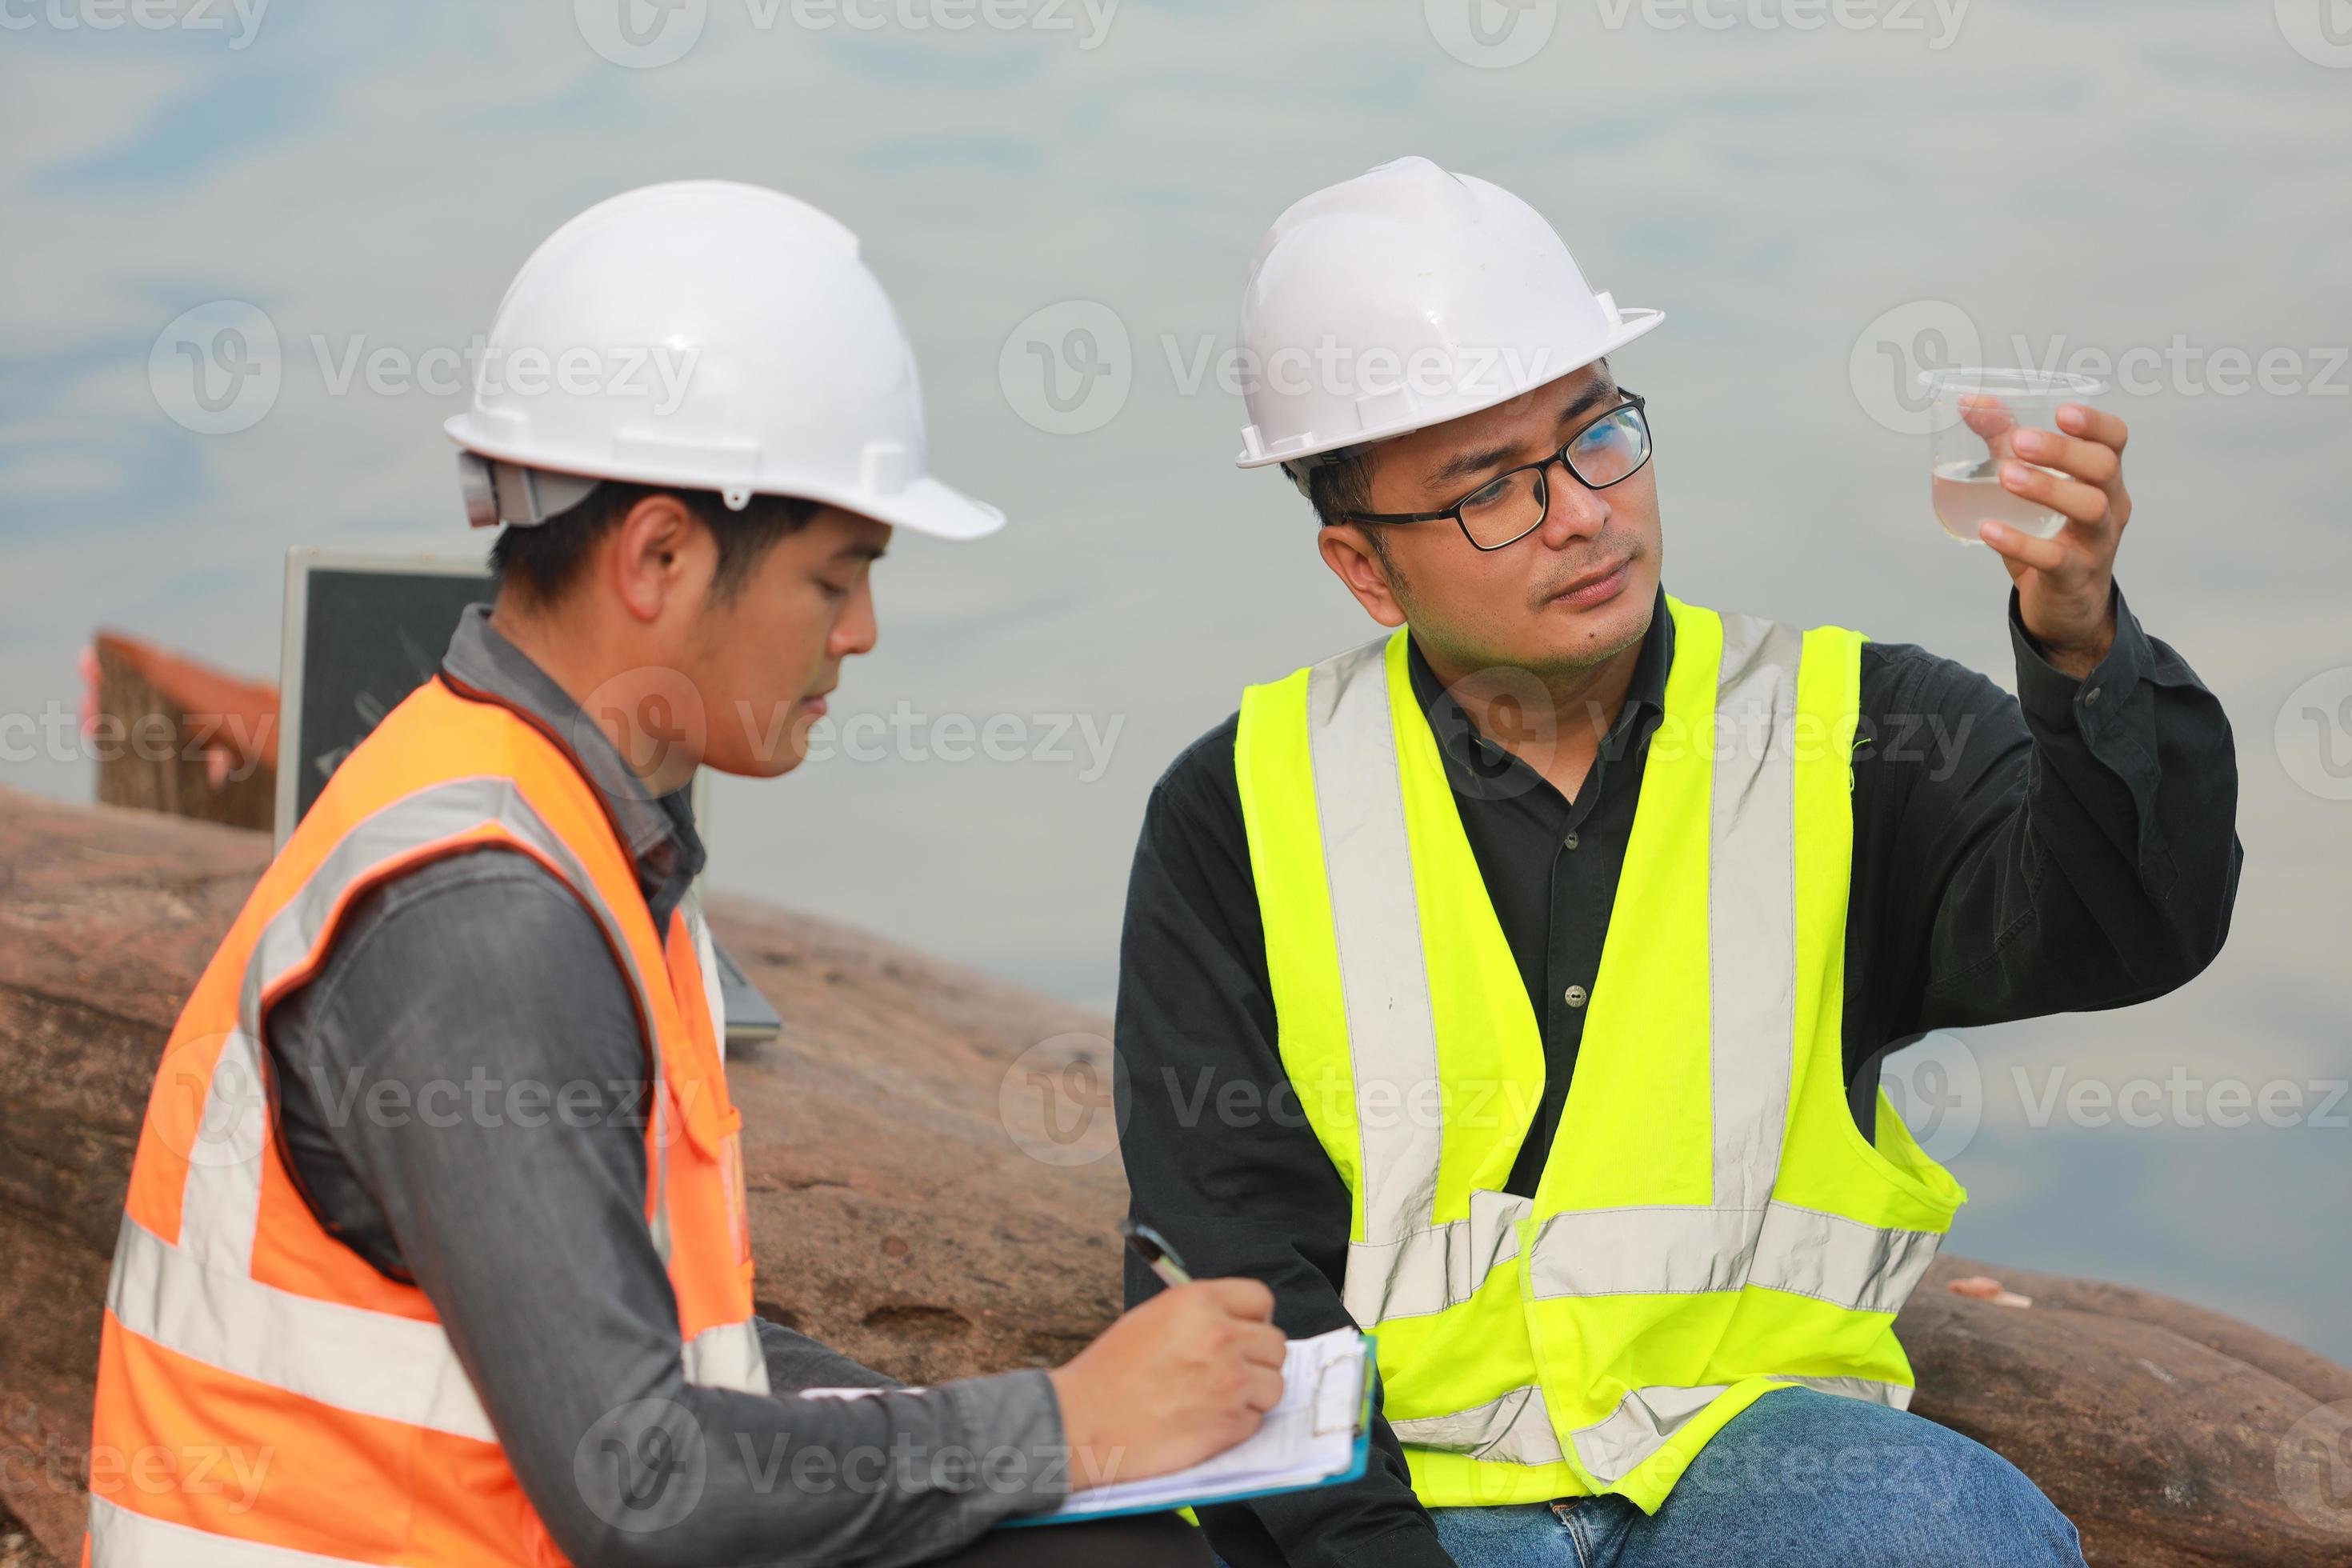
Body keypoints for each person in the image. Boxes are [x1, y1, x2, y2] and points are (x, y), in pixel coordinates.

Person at [84, 181, 1281, 1567]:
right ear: (658, 554)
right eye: (838, 580)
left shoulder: (536, 801)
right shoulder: (484, 919)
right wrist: (1061, 1426)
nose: (865, 633)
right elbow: (641, 1483)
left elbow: (660, 1349)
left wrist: (1004, 1430)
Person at [1113, 157, 2241, 1566]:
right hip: (1402, 1490)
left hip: (1752, 1451)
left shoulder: (1853, 732)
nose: (1583, 511)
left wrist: (2084, 650)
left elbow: (2137, 924)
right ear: (1363, 567)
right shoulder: (1239, 809)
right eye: (1490, 493)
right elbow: (1238, 1262)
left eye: (1597, 438)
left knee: (1954, 1530)